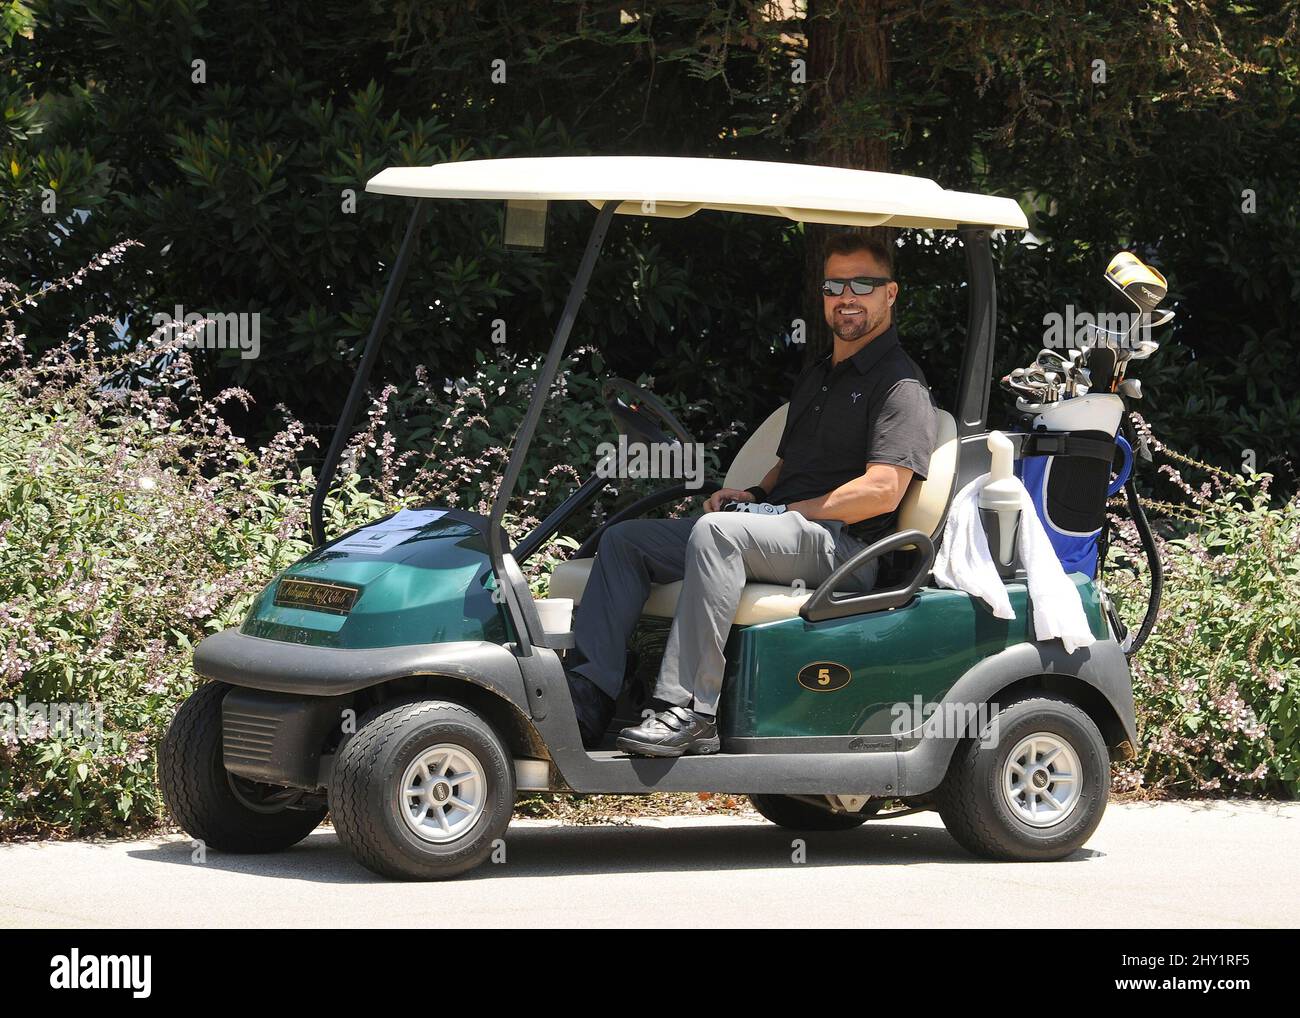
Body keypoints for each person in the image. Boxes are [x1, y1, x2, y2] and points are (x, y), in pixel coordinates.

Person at [565, 231, 938, 756]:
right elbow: (793, 464)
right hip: (784, 531)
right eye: (834, 285)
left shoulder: (900, 385)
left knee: (720, 534)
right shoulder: (820, 374)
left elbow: (882, 491)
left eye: (862, 284)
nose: (846, 296)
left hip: (845, 547)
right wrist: (754, 492)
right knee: (626, 540)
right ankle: (587, 698)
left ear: (890, 293)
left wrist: (779, 509)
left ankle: (690, 710)